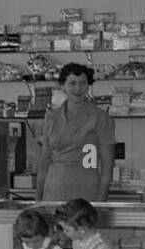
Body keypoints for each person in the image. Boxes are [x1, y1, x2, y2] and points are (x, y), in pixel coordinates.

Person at [36, 63, 115, 203]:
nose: (78, 88)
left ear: (88, 86)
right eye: (72, 83)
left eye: (83, 83)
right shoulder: (52, 117)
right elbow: (44, 162)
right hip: (54, 190)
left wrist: (101, 200)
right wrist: (38, 199)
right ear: (63, 86)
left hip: (86, 189)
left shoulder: (100, 118)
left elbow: (107, 165)